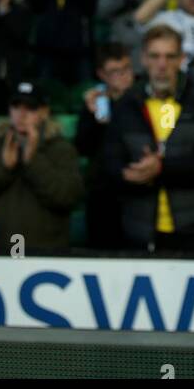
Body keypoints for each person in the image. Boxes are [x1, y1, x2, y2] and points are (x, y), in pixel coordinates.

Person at [103, 25, 194, 252]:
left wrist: (161, 168)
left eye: (170, 56)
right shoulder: (126, 105)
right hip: (140, 230)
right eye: (155, 56)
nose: (162, 65)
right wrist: (125, 174)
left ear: (181, 59)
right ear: (143, 59)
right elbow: (110, 159)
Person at [0, 81, 84, 251]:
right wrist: (3, 168)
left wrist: (33, 161)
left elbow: (67, 197)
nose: (21, 114)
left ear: (44, 112)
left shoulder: (61, 150)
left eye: (31, 108)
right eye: (16, 106)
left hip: (46, 253)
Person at [74, 43, 137, 250]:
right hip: (104, 193)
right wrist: (95, 119)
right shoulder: (95, 103)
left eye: (127, 68)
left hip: (136, 190)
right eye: (115, 72)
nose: (124, 76)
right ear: (102, 74)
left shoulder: (144, 98)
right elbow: (83, 147)